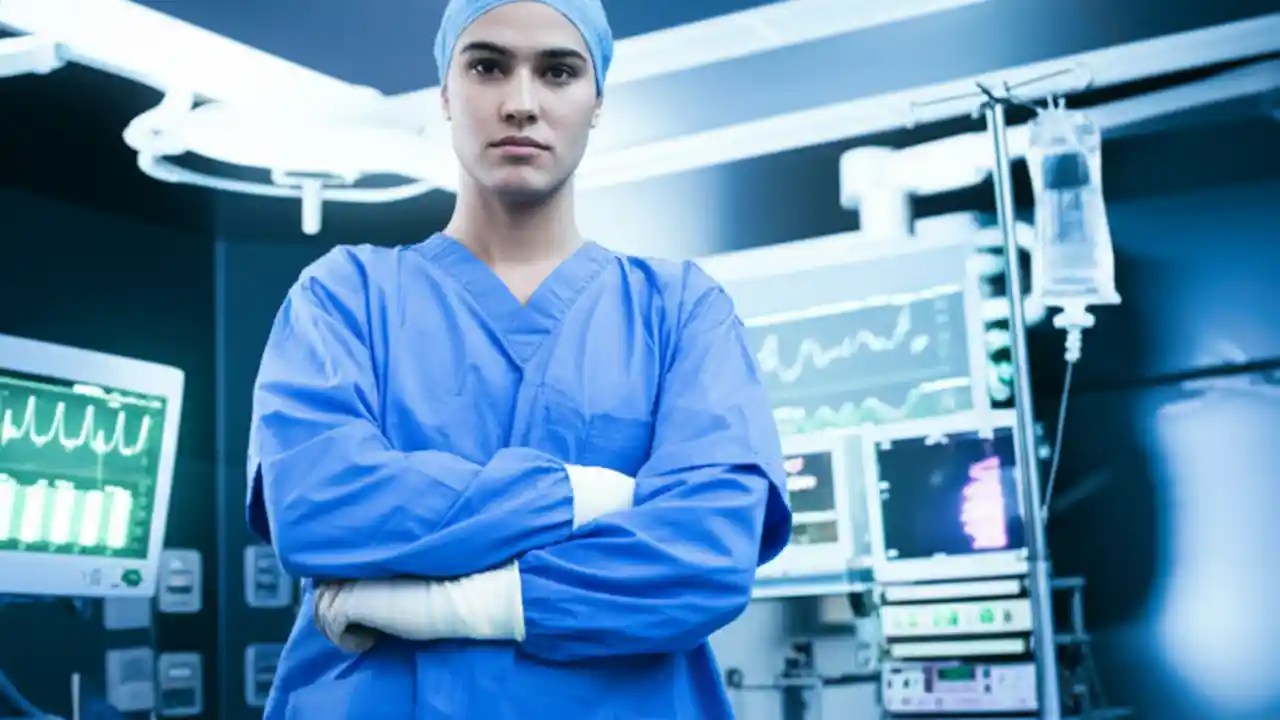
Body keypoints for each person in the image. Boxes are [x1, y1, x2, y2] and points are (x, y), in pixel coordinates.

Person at [245, 0, 792, 717]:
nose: (521, 103)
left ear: (597, 102)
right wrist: (589, 495)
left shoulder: (679, 309)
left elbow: (707, 555)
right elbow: (318, 506)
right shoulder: (344, 296)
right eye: (488, 67)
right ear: (446, 92)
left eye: (559, 71)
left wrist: (443, 607)